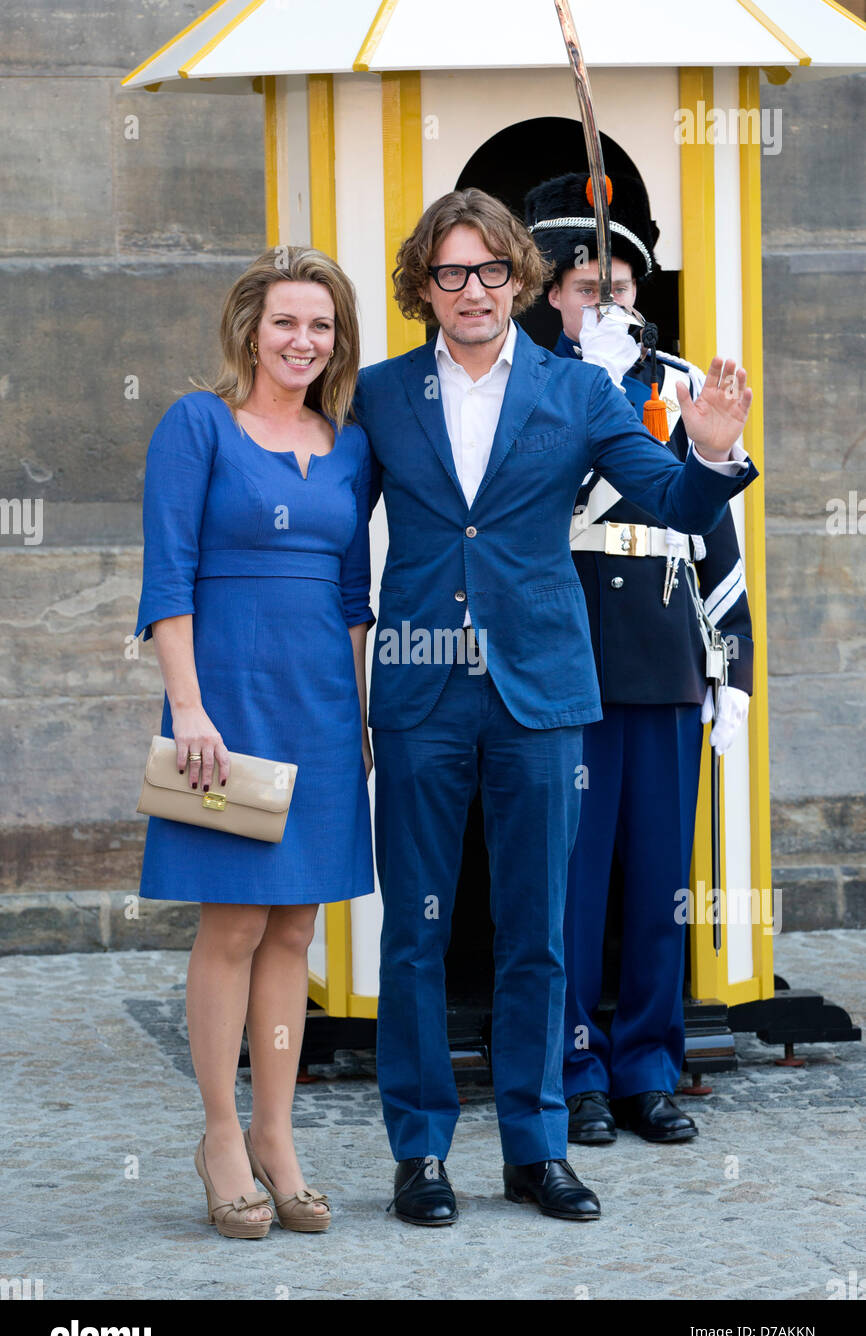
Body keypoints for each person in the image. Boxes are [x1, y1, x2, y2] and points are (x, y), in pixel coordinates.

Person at [352, 187, 757, 1226]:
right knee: (417, 931)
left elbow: (667, 501)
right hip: (419, 685)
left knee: (537, 932)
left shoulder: (578, 393)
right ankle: (420, 1151)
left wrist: (707, 450)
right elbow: (336, 534)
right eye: (450, 273)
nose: (472, 290)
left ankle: (533, 1147)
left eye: (490, 270)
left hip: (541, 692)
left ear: (518, 279)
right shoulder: (383, 393)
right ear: (423, 286)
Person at [134, 247, 375, 1238]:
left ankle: (277, 1135)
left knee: (293, 929)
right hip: (224, 700)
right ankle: (220, 1132)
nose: (301, 341)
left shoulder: (350, 446)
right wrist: (187, 707)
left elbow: (353, 595)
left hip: (319, 702)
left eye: (319, 326)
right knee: (231, 924)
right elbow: (168, 575)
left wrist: (356, 716)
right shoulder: (197, 424)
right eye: (285, 322)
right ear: (250, 328)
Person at [525, 171, 753, 1145]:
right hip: (569, 654)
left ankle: (647, 1065)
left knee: (662, 878)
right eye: (585, 289)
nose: (604, 302)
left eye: (616, 287)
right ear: (552, 300)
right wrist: (594, 381)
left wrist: (730, 667)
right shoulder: (534, 390)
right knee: (568, 884)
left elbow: (716, 536)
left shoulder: (677, 389)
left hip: (663, 653)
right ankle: (569, 1065)